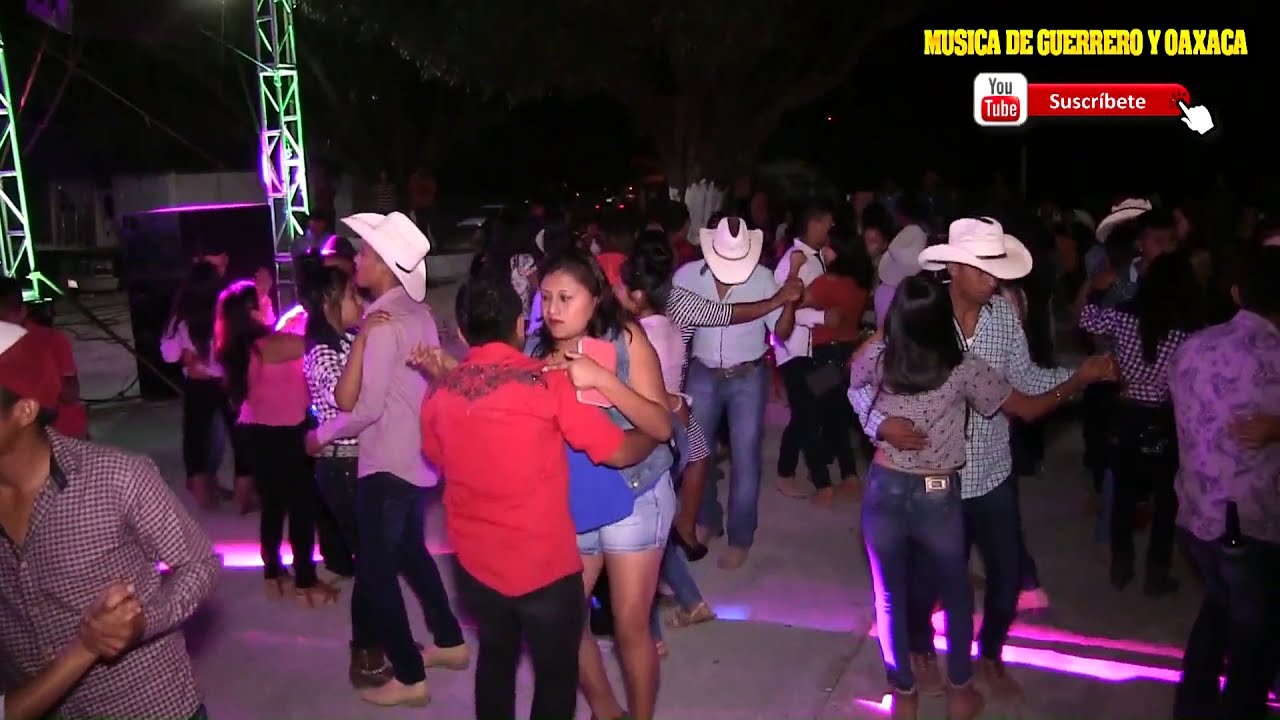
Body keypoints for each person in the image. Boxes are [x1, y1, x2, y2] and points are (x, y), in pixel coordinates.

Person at [852, 217, 1117, 705]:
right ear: (953, 268)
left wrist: (1077, 378)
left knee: (1006, 572)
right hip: (930, 480)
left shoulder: (1004, 315)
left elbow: (1025, 383)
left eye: (996, 268)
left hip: (990, 470)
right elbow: (863, 374)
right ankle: (924, 656)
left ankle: (987, 656)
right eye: (982, 268)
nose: (992, 279)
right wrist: (879, 425)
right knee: (924, 585)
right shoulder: (921, 312)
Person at [421, 274, 659, 720]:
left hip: (475, 567)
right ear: (519, 324)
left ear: (461, 333)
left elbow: (437, 457)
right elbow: (617, 451)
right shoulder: (547, 385)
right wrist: (652, 433)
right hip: (545, 568)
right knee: (554, 677)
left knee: (495, 661)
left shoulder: (439, 395)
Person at [0, 321, 218, 719]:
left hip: (146, 708)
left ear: (23, 411)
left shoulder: (116, 477)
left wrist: (142, 622)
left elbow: (200, 563)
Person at [305, 212, 468, 707]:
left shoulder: (382, 326)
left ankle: (410, 676)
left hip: (387, 464)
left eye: (364, 253)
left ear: (384, 265)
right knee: (411, 553)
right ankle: (450, 641)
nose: (356, 259)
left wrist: (320, 435)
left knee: (376, 573)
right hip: (419, 457)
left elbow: (366, 409)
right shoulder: (418, 313)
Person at [528, 249, 674, 720]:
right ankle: (608, 711)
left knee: (630, 625)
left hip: (635, 492)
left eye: (565, 297)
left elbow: (662, 425)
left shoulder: (626, 338)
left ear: (595, 298)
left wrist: (603, 381)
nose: (553, 309)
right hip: (573, 502)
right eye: (546, 297)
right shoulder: (536, 350)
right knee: (566, 620)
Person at [1170, 245, 1280, 720]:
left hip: (1195, 515)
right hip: (1254, 524)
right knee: (1254, 639)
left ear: (1237, 293)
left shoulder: (1193, 346)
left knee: (1219, 606)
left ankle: (1192, 706)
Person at [674, 217, 798, 570]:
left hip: (748, 375)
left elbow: (782, 334)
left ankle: (741, 537)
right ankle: (708, 519)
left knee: (745, 459)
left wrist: (789, 301)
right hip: (702, 371)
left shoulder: (763, 278)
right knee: (697, 453)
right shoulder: (686, 277)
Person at [1080, 251, 1203, 594]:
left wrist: (1096, 290)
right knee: (1166, 498)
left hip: (1126, 411)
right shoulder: (1188, 331)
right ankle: (1156, 573)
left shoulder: (1123, 315)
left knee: (1123, 491)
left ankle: (1121, 562)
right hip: (1165, 416)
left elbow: (1088, 320)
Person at [297, 256, 391, 688]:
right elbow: (347, 406)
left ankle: (382, 642)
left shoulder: (346, 339)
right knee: (371, 562)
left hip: (359, 461)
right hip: (342, 467)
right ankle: (365, 653)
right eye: (352, 294)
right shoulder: (321, 350)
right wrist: (366, 339)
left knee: (377, 559)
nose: (360, 301)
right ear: (330, 301)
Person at [217, 281, 336, 607]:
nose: (270, 303)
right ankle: (305, 581)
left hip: (258, 433)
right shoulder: (271, 344)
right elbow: (315, 344)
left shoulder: (242, 347)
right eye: (263, 300)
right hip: (287, 433)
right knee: (301, 506)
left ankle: (273, 573)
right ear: (252, 312)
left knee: (273, 505)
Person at [161, 261, 253, 512]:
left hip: (197, 384)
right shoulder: (225, 313)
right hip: (226, 382)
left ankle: (203, 494)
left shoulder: (180, 319)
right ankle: (244, 494)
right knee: (240, 436)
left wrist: (186, 357)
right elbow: (237, 348)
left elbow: (168, 354)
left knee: (195, 437)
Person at [773, 202, 846, 502]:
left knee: (811, 411)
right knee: (806, 412)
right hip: (793, 350)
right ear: (815, 223)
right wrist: (821, 317)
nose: (831, 229)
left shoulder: (818, 258)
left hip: (816, 350)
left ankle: (795, 470)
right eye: (828, 223)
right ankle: (807, 478)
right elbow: (784, 309)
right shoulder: (793, 261)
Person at [804, 230, 872, 502]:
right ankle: (850, 476)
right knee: (838, 417)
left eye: (829, 247)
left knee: (810, 418)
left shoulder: (826, 283)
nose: (824, 250)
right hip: (849, 355)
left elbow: (796, 300)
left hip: (826, 356)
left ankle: (823, 484)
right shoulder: (860, 283)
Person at [0, 276, 88, 442]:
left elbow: (70, 394)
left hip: (59, 435)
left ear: (22, 312)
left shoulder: (49, 341)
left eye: (3, 321)